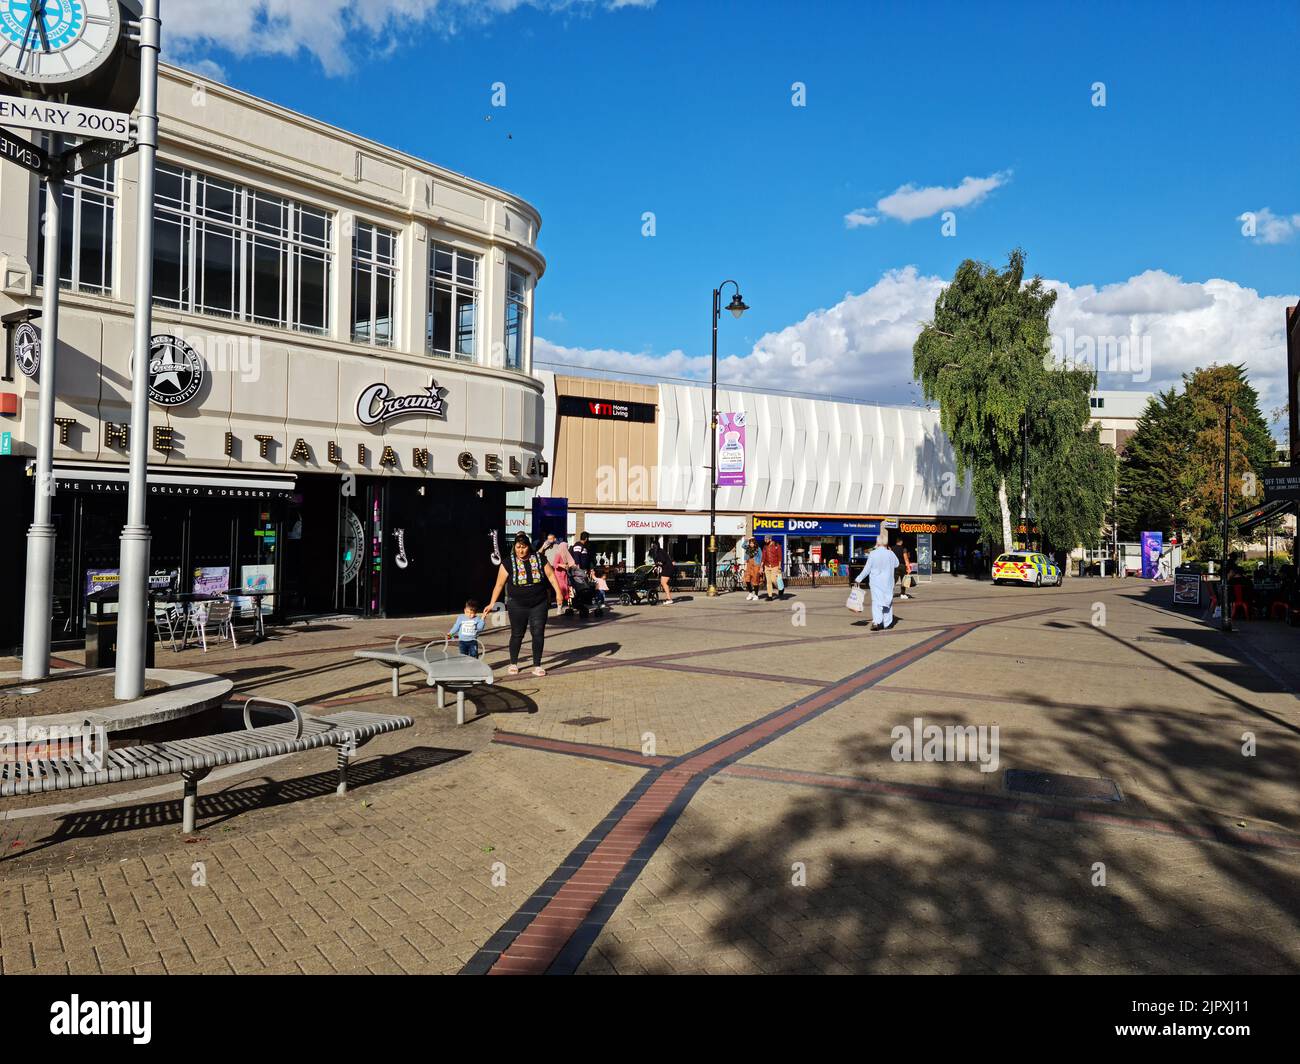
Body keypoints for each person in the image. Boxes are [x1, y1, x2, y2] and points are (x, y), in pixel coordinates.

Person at [484, 532, 563, 677]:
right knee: (517, 634)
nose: (521, 550)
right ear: (514, 547)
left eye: (524, 547)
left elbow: (551, 576)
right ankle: (513, 662)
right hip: (517, 604)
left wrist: (558, 593)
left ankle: (537, 665)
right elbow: (499, 584)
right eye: (518, 547)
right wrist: (492, 603)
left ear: (529, 546)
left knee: (538, 633)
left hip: (539, 603)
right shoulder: (508, 562)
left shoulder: (539, 558)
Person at [854, 534, 899, 630]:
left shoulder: (873, 554)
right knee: (888, 602)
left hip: (876, 581)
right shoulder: (890, 553)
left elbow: (867, 568)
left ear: (877, 542)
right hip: (888, 581)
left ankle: (877, 622)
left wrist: (859, 578)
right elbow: (897, 564)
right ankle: (887, 623)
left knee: (877, 602)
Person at [550, 538, 576, 607]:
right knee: (561, 589)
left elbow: (571, 563)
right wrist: (562, 565)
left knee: (566, 589)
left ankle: (565, 605)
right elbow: (554, 564)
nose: (566, 549)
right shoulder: (558, 554)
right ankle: (559, 605)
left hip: (564, 574)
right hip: (558, 575)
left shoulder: (566, 555)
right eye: (565, 547)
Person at [653, 540, 676, 605]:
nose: (652, 547)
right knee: (663, 583)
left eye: (653, 546)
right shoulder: (660, 551)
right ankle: (668, 598)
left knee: (663, 582)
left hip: (667, 568)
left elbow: (663, 560)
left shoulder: (659, 552)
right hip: (667, 568)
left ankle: (669, 599)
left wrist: (658, 564)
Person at [762, 535, 783, 601]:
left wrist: (779, 566)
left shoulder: (777, 545)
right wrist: (761, 567)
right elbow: (763, 558)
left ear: (770, 539)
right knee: (768, 581)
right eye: (765, 539)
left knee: (774, 580)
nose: (765, 541)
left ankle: (780, 588)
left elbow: (780, 557)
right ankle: (770, 596)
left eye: (766, 539)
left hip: (775, 565)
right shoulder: (765, 547)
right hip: (767, 566)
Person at [743, 537, 764, 601]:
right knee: (747, 579)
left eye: (752, 543)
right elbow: (743, 545)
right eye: (750, 543)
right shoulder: (748, 548)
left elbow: (761, 558)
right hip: (749, 564)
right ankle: (750, 593)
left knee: (755, 580)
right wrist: (748, 539)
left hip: (756, 565)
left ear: (755, 543)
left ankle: (756, 595)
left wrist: (761, 567)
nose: (751, 544)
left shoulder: (758, 549)